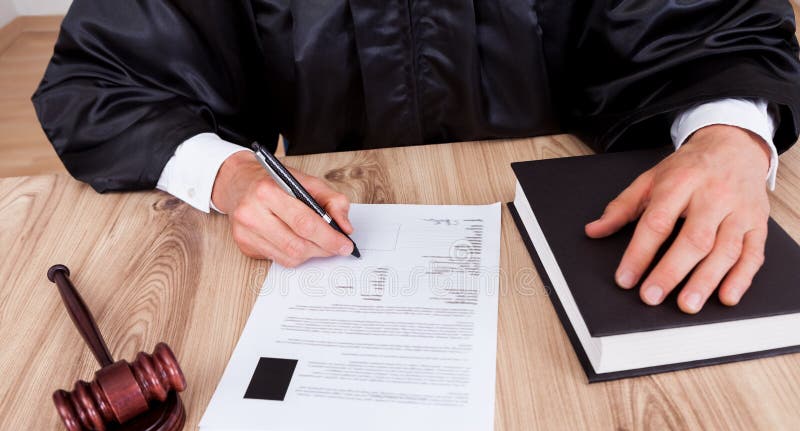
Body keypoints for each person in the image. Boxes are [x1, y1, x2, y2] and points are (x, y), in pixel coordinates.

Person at [33, 1, 800, 314]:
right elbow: (104, 79)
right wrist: (231, 174)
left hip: (570, 234)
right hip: (332, 242)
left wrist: (730, 135)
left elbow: (707, 22)